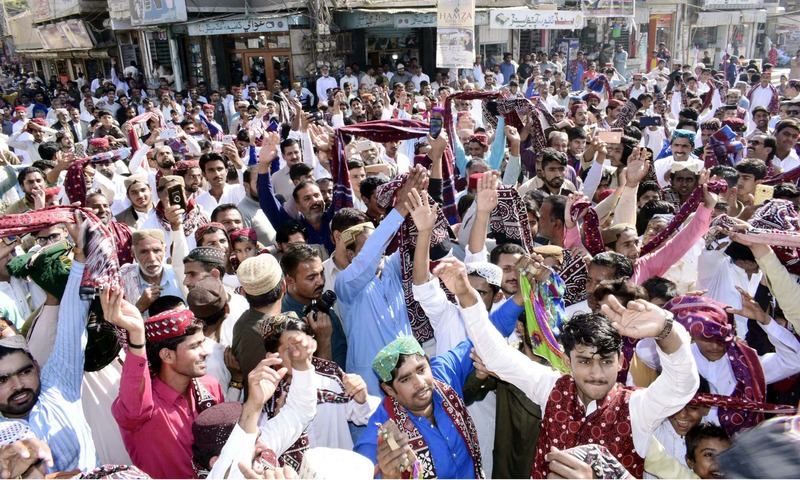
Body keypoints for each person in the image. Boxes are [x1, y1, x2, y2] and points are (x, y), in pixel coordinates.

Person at [437, 255, 698, 477]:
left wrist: (666, 331)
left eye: (606, 361)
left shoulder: (636, 408)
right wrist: (465, 294)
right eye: (584, 361)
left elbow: (681, 386)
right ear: (566, 361)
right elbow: (495, 354)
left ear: (620, 361)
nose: (596, 374)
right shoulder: (551, 388)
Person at [107, 286, 225, 479]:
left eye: (202, 342)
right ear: (167, 355)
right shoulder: (143, 409)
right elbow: (134, 391)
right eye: (195, 346)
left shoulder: (210, 386)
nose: (206, 351)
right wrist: (137, 335)